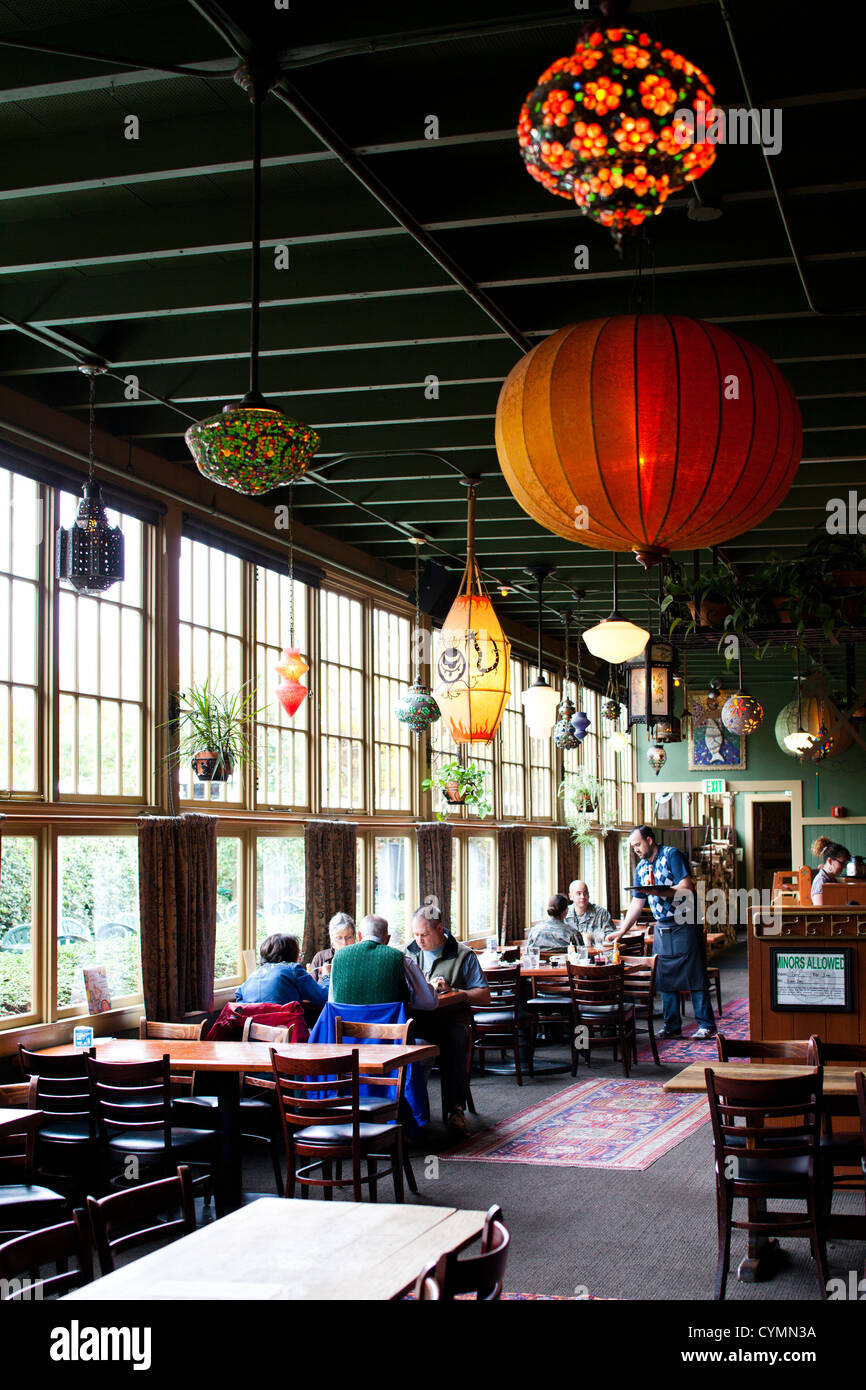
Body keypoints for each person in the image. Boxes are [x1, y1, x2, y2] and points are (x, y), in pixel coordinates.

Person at [613, 825, 716, 1041]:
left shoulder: (672, 855)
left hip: (685, 922)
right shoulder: (641, 868)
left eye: (638, 845)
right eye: (633, 847)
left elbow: (687, 887)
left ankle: (706, 1025)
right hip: (662, 926)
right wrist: (621, 931)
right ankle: (672, 1027)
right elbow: (637, 902)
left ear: (650, 840)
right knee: (665, 977)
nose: (636, 850)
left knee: (695, 974)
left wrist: (661, 892)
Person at [405, 905, 491, 1133]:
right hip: (417, 1021)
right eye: (415, 935)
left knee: (452, 1039)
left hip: (450, 1020)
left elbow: (484, 995)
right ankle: (406, 1113)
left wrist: (456, 991)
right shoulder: (409, 953)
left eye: (424, 935)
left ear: (440, 929)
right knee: (397, 1039)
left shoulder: (463, 954)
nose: (419, 941)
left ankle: (456, 1110)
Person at [330, 914, 437, 1010]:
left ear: (360, 935)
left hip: (347, 1031)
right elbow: (429, 1003)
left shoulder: (338, 958)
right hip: (389, 1031)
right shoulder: (401, 959)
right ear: (388, 939)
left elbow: (332, 1003)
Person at [235, 933, 328, 1008]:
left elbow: (239, 996)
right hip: (288, 1029)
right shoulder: (293, 969)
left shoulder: (253, 975)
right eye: (298, 953)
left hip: (255, 1030)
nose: (300, 958)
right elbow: (325, 997)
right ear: (291, 954)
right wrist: (326, 976)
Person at [309, 912, 356, 982]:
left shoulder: (360, 958)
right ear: (332, 939)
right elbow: (312, 990)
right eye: (339, 938)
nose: (344, 943)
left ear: (354, 937)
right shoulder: (320, 958)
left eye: (348, 937)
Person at [810, 837, 851, 904]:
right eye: (842, 863)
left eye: (845, 863)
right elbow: (820, 911)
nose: (844, 866)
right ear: (830, 861)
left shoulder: (832, 879)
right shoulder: (820, 882)